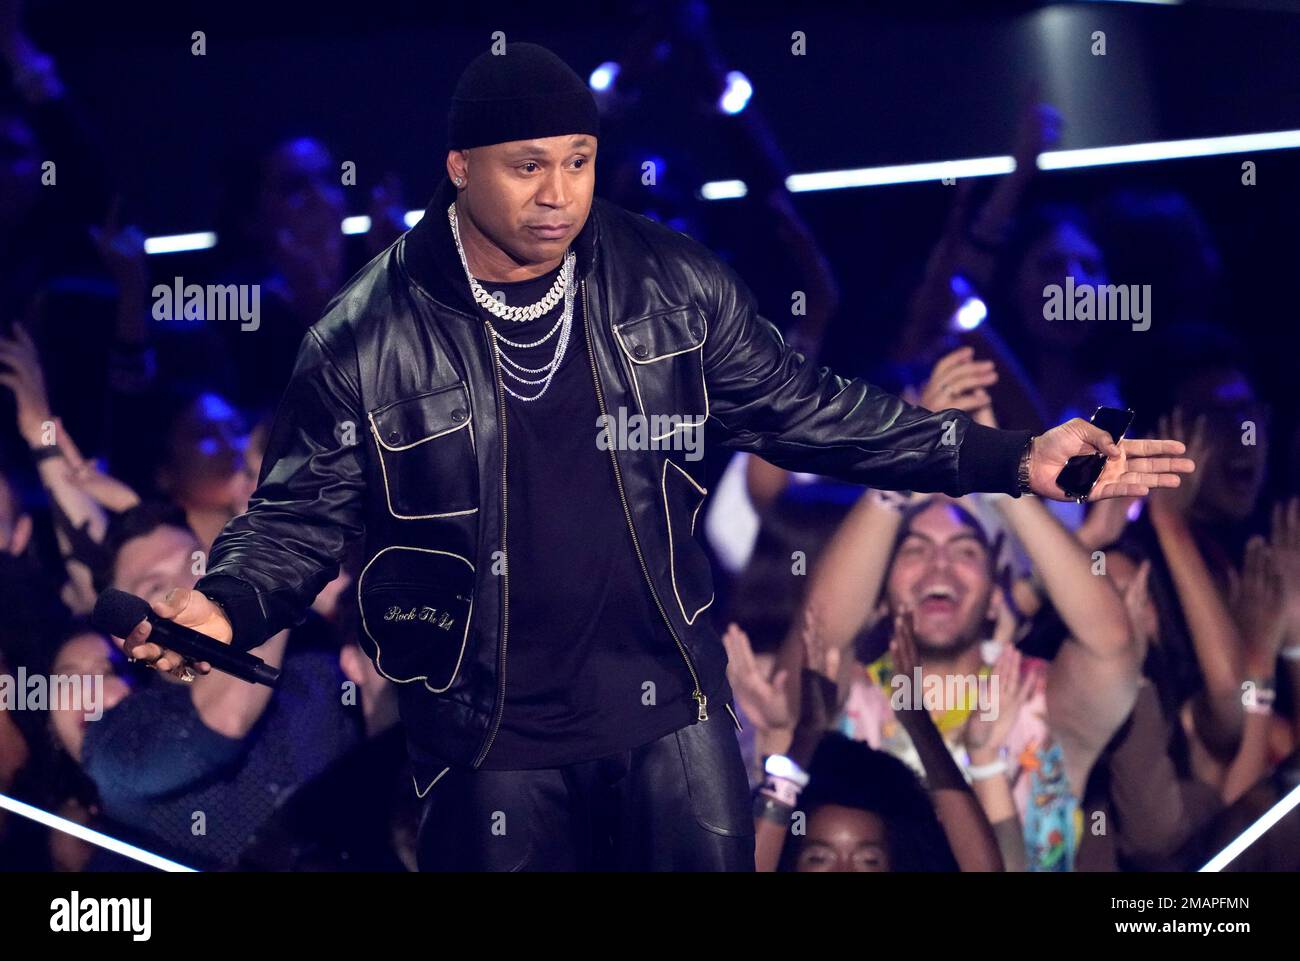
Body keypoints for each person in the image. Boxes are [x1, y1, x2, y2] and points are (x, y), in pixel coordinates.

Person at [110, 42, 1193, 872]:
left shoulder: (668, 283)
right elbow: (300, 512)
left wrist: (1013, 457)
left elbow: (809, 409)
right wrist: (223, 609)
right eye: (527, 167)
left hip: (667, 700)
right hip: (493, 726)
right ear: (458, 172)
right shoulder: (366, 332)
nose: (556, 194)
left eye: (577, 164)